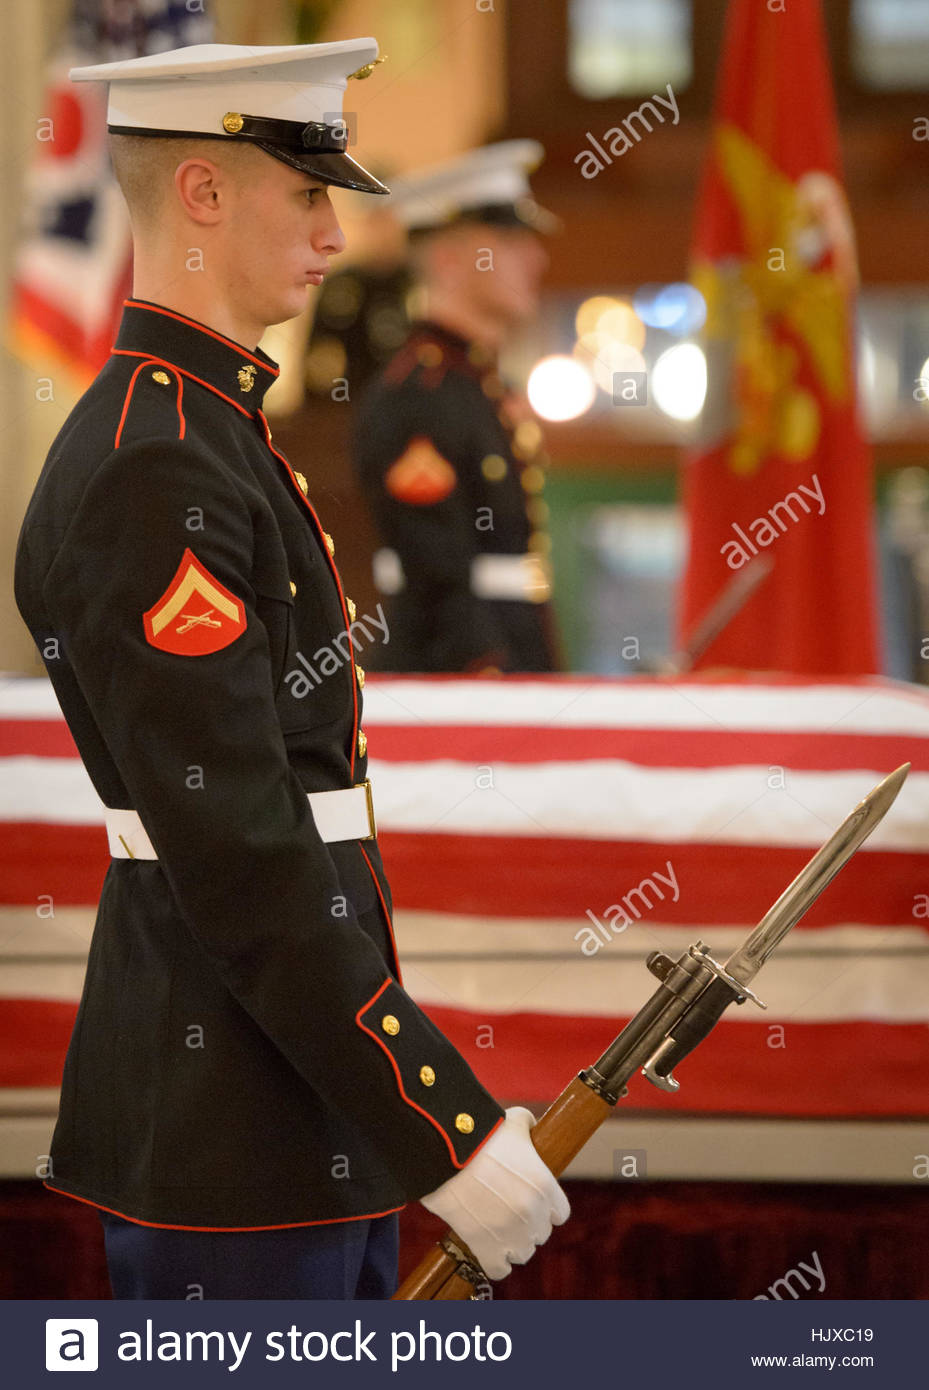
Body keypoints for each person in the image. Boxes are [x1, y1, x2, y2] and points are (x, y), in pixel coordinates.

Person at [14, 39, 568, 1301]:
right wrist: (443, 1120)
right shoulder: (159, 462)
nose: (334, 232)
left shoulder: (208, 433)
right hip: (236, 1124)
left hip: (293, 1097)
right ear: (203, 193)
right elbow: (242, 848)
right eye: (308, 193)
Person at [352, 141, 562, 673]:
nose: (536, 258)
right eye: (510, 242)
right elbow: (436, 574)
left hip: (516, 655)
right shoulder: (419, 394)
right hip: (458, 674)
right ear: (448, 259)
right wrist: (488, 676)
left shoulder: (479, 385)